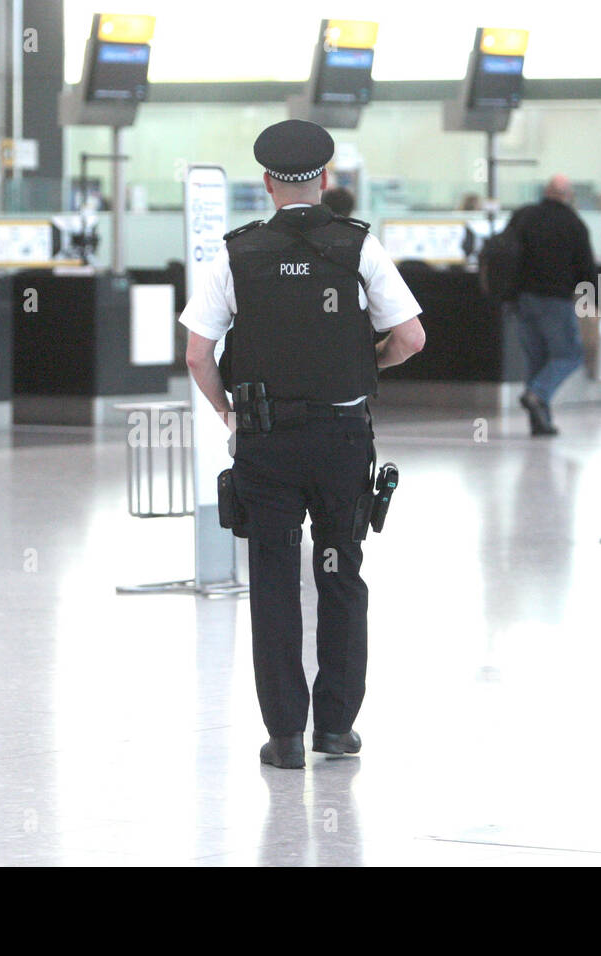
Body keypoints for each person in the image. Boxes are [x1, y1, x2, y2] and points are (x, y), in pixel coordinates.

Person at [181, 120, 427, 769]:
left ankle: (285, 733)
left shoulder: (234, 254)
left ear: (266, 184)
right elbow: (411, 338)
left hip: (264, 440)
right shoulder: (359, 248)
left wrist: (226, 410)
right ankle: (336, 728)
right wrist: (364, 358)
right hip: (342, 438)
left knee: (271, 576)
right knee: (340, 570)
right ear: (324, 181)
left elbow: (198, 354)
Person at [504, 174, 597, 436]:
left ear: (545, 192)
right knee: (570, 354)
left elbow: (505, 253)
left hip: (522, 300)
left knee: (538, 360)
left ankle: (540, 422)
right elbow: (586, 269)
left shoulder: (523, 216)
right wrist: (600, 304)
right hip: (555, 301)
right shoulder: (573, 223)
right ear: (567, 195)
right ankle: (537, 394)